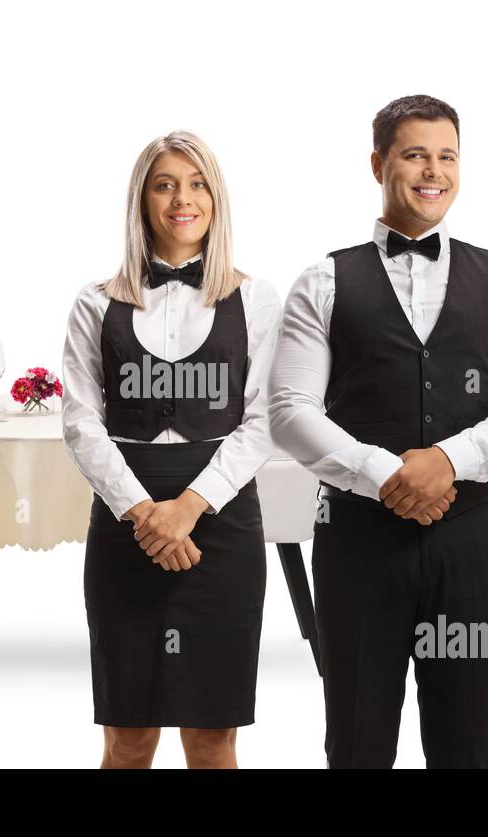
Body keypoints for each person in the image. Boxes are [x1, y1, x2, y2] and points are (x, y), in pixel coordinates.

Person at [268, 94, 488, 768]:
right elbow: (289, 410)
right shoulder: (322, 282)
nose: (433, 171)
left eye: (447, 156)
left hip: (473, 543)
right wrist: (383, 472)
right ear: (378, 164)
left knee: (465, 746)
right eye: (415, 155)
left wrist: (450, 461)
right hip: (357, 546)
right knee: (358, 743)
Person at [61, 130, 281, 769]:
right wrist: (143, 512)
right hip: (126, 522)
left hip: (222, 521)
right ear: (142, 201)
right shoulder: (94, 303)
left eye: (196, 183)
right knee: (128, 740)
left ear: (216, 199)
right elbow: (81, 424)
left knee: (213, 741)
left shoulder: (257, 298)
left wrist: (189, 506)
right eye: (164, 185)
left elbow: (263, 421)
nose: (182, 199)